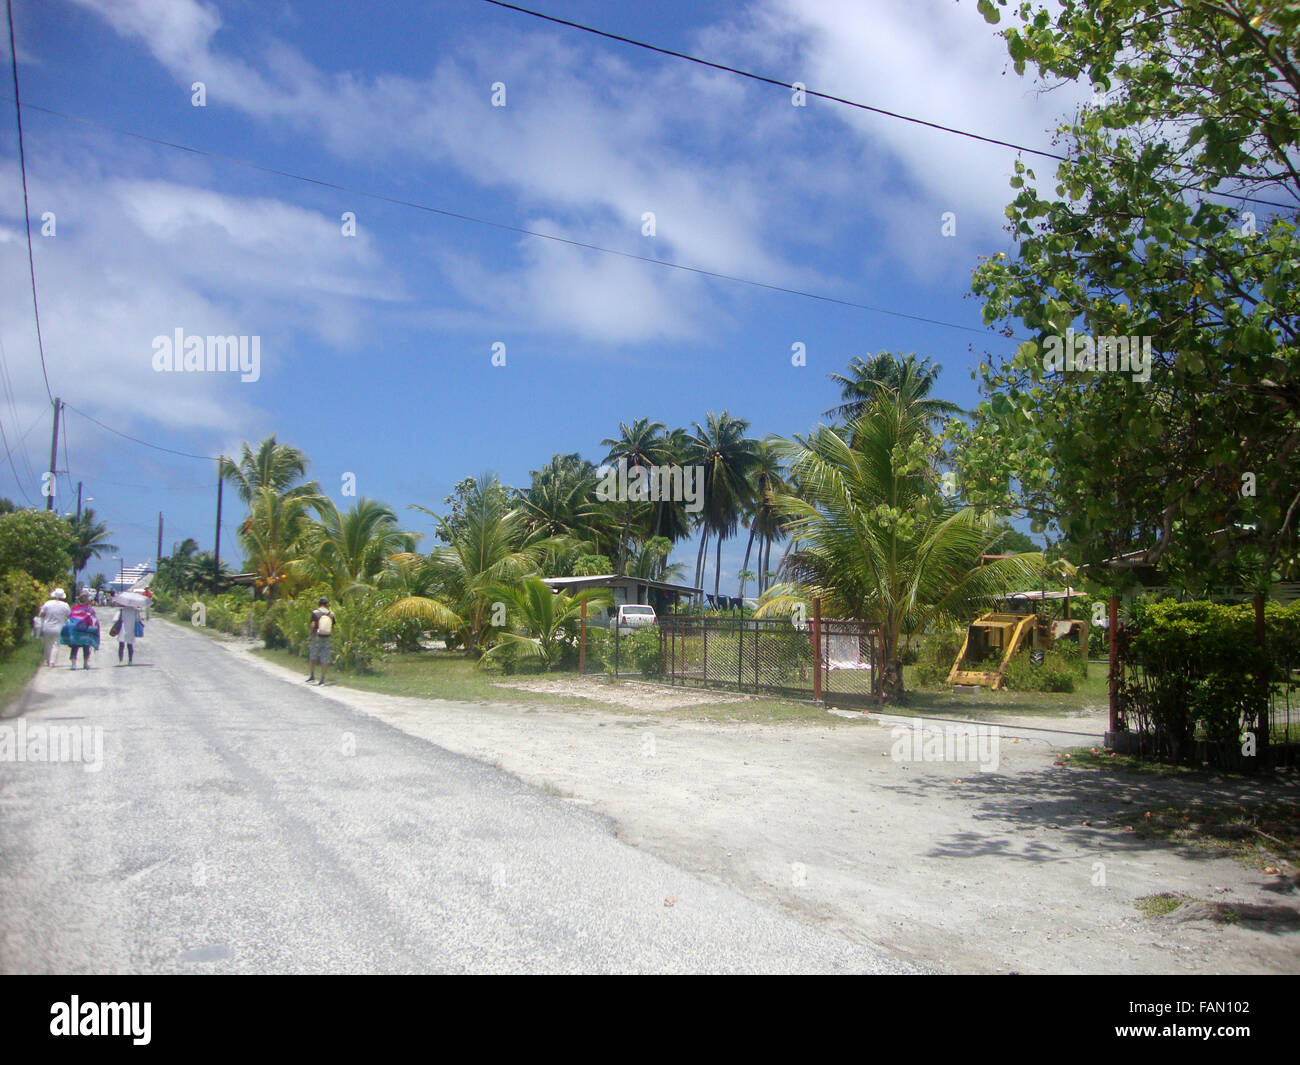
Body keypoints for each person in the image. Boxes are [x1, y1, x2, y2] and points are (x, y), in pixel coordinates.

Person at [61, 589, 100, 669]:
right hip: (85, 630)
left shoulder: (74, 608)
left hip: (75, 630)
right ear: (87, 600)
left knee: (75, 647)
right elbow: (93, 620)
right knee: (86, 647)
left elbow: (71, 618)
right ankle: (85, 664)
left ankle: (73, 665)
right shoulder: (89, 609)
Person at [34, 587, 71, 667]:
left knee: (47, 644)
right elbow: (69, 616)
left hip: (47, 626)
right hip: (58, 627)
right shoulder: (65, 605)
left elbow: (41, 614)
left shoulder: (47, 603)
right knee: (56, 644)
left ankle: (47, 659)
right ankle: (52, 661)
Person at [307, 597, 335, 685]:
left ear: (319, 604)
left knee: (313, 655)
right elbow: (332, 627)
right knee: (325, 657)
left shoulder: (315, 613)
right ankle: (322, 679)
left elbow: (312, 625)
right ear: (327, 604)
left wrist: (310, 634)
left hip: (316, 637)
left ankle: (312, 676)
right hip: (327, 637)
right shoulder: (331, 614)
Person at [114, 597, 142, 665]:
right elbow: (138, 620)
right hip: (131, 629)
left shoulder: (121, 610)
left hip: (122, 629)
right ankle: (130, 661)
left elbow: (115, 619)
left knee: (121, 646)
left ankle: (120, 661)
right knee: (130, 646)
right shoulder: (135, 611)